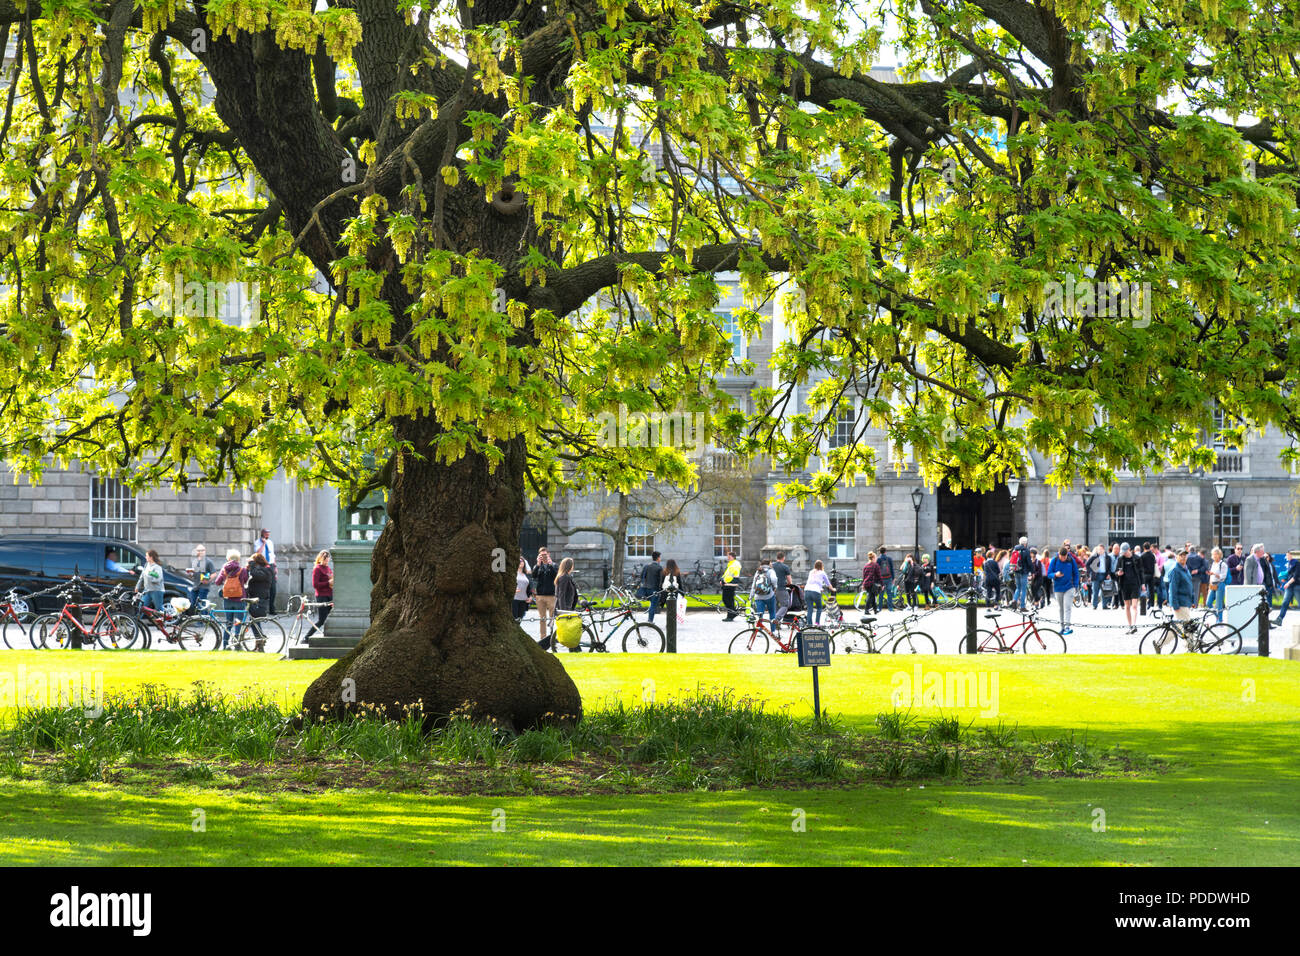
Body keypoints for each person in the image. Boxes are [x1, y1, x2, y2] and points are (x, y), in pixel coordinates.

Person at [211, 550, 249, 650]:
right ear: (238, 559)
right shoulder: (242, 569)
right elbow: (245, 581)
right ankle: (237, 645)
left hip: (227, 599)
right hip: (240, 599)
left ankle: (225, 645)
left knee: (228, 623)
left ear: (228, 558)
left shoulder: (224, 569)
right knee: (238, 623)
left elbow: (217, 582)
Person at [1162, 549, 1196, 650]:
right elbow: (1172, 589)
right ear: (1176, 557)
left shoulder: (1185, 568)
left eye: (1185, 555)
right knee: (1186, 626)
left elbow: (1189, 586)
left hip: (1186, 602)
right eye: (1181, 555)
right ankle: (1190, 647)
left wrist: (1192, 601)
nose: (1183, 557)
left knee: (1180, 626)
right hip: (1180, 603)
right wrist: (1175, 604)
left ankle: (1160, 643)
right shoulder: (1175, 570)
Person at [302, 550, 334, 643]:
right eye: (325, 560)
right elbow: (315, 584)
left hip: (330, 595)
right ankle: (307, 637)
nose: (326, 562)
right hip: (322, 596)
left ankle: (326, 636)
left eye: (328, 560)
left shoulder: (328, 569)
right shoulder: (317, 569)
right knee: (322, 620)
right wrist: (328, 583)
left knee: (330, 618)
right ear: (320, 559)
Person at [1049, 545, 1080, 635]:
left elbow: (1076, 573)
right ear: (1059, 555)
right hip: (1058, 587)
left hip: (1069, 587)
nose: (1063, 558)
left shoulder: (1071, 560)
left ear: (1067, 555)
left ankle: (1067, 626)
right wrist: (1055, 575)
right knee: (1061, 608)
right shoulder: (1054, 560)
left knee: (1067, 607)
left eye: (1065, 556)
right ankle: (1062, 627)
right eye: (1062, 557)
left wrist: (1075, 585)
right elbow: (1049, 573)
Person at [554, 557, 581, 652]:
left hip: (569, 607)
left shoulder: (566, 576)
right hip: (565, 609)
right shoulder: (564, 577)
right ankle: (576, 649)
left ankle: (575, 649)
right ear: (570, 566)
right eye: (572, 565)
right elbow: (561, 595)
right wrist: (564, 611)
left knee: (569, 630)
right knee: (569, 630)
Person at [533, 547, 559, 647]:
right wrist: (538, 564)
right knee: (542, 619)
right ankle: (543, 638)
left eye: (545, 555)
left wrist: (550, 564)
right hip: (540, 596)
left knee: (552, 618)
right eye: (541, 555)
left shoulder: (554, 565)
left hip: (551, 596)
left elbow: (556, 575)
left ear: (548, 554)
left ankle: (553, 638)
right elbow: (534, 576)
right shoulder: (538, 566)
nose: (544, 556)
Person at [1115, 542, 1143, 633]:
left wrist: (1142, 584)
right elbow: (1116, 571)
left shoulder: (1137, 558)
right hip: (1124, 585)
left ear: (1129, 549)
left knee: (1134, 606)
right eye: (1122, 552)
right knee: (1127, 606)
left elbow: (1141, 572)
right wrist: (1118, 574)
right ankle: (1130, 626)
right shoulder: (1120, 559)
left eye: (1125, 551)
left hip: (1135, 584)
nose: (1123, 553)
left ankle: (1134, 625)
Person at [252, 528, 278, 614]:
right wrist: (263, 544)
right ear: (262, 533)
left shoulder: (270, 542)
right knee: (263, 588)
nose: (267, 535)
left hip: (270, 565)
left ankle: (272, 609)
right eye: (266, 533)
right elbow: (258, 553)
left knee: (273, 588)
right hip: (261, 565)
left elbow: (272, 555)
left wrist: (275, 567)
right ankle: (263, 608)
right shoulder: (257, 542)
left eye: (268, 533)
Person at [134, 549, 167, 614]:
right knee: (141, 607)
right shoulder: (146, 565)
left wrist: (149, 576)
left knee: (159, 609)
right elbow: (141, 577)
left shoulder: (157, 567)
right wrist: (137, 586)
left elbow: (158, 579)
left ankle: (165, 621)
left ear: (151, 557)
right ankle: (137, 623)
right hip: (147, 590)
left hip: (156, 590)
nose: (145, 557)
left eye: (147, 556)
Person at [1273, 551, 1300, 627]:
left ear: (1292, 555)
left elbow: (1296, 576)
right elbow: (1290, 575)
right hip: (1290, 586)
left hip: (1297, 586)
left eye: (1287, 555)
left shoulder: (1297, 563)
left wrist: (1288, 583)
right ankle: (1279, 619)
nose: (1286, 557)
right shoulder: (1290, 564)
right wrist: (1285, 579)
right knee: (1285, 603)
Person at [185, 545, 216, 610]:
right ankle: (196, 619)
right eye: (199, 550)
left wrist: (208, 580)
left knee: (201, 605)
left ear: (205, 551)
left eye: (202, 550)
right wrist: (190, 574)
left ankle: (203, 619)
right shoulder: (194, 561)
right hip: (195, 586)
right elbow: (193, 574)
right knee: (193, 604)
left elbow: (214, 574)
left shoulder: (208, 562)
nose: (200, 552)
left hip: (204, 586)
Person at [805, 560, 831, 625]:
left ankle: (809, 625)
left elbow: (812, 581)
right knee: (819, 607)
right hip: (815, 591)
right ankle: (817, 623)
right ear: (822, 566)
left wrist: (820, 588)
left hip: (807, 590)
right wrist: (833, 589)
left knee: (810, 609)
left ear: (815, 565)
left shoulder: (811, 572)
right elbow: (828, 583)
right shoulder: (822, 573)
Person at [771, 551, 793, 628]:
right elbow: (790, 581)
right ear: (783, 558)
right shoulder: (785, 567)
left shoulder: (771, 566)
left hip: (771, 589)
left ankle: (776, 624)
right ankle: (776, 619)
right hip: (781, 588)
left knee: (775, 606)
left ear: (777, 558)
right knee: (785, 604)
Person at [1207, 547, 1229, 623]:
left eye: (1216, 554)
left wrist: (1215, 574)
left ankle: (1220, 619)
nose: (1214, 556)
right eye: (1213, 554)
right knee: (1208, 603)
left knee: (1219, 604)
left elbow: (1223, 576)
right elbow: (1211, 576)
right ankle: (1216, 616)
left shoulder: (1223, 564)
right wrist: (1209, 584)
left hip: (1220, 584)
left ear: (1220, 555)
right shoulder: (1213, 563)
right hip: (1213, 584)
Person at [721, 551, 743, 621]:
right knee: (728, 600)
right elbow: (727, 574)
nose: (727, 558)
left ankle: (731, 615)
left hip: (730, 584)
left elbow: (733, 575)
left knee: (728, 600)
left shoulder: (734, 564)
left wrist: (725, 581)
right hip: (728, 583)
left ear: (732, 556)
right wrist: (722, 579)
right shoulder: (731, 564)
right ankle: (732, 614)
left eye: (728, 556)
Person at [1011, 536, 1031, 611]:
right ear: (1025, 543)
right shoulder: (1026, 550)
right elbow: (1029, 563)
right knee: (1023, 589)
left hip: (1016, 571)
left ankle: (1014, 600)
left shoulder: (1015, 549)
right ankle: (1022, 606)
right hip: (1024, 572)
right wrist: (1032, 571)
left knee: (1018, 588)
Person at [512, 557, 532, 623]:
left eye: (522, 561)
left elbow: (529, 588)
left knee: (520, 620)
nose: (521, 562)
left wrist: (530, 597)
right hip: (514, 599)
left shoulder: (526, 574)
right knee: (514, 619)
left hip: (523, 600)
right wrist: (512, 590)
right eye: (519, 561)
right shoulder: (512, 573)